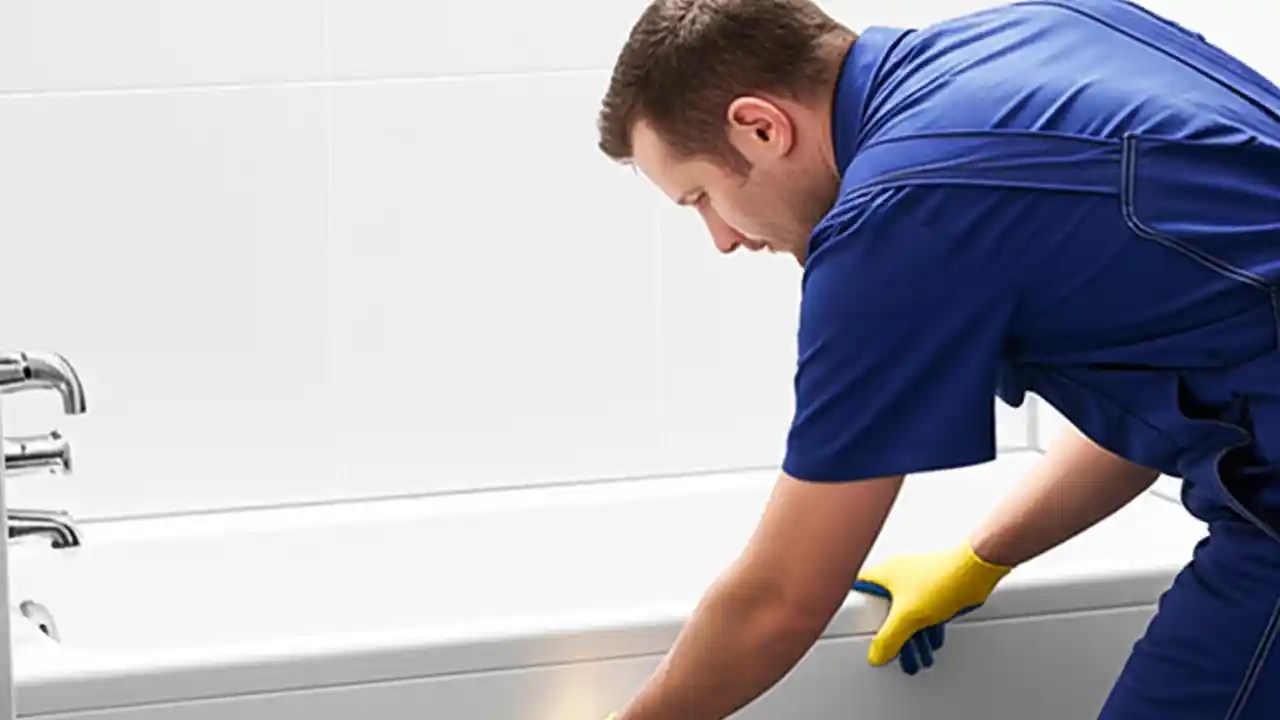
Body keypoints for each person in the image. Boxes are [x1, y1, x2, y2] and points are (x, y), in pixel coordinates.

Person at [593, 0, 1280, 718]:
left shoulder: (895, 221)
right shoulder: (1047, 30)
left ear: (761, 127)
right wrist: (985, 556)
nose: (722, 239)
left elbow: (782, 599)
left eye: (702, 196)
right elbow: (1189, 383)